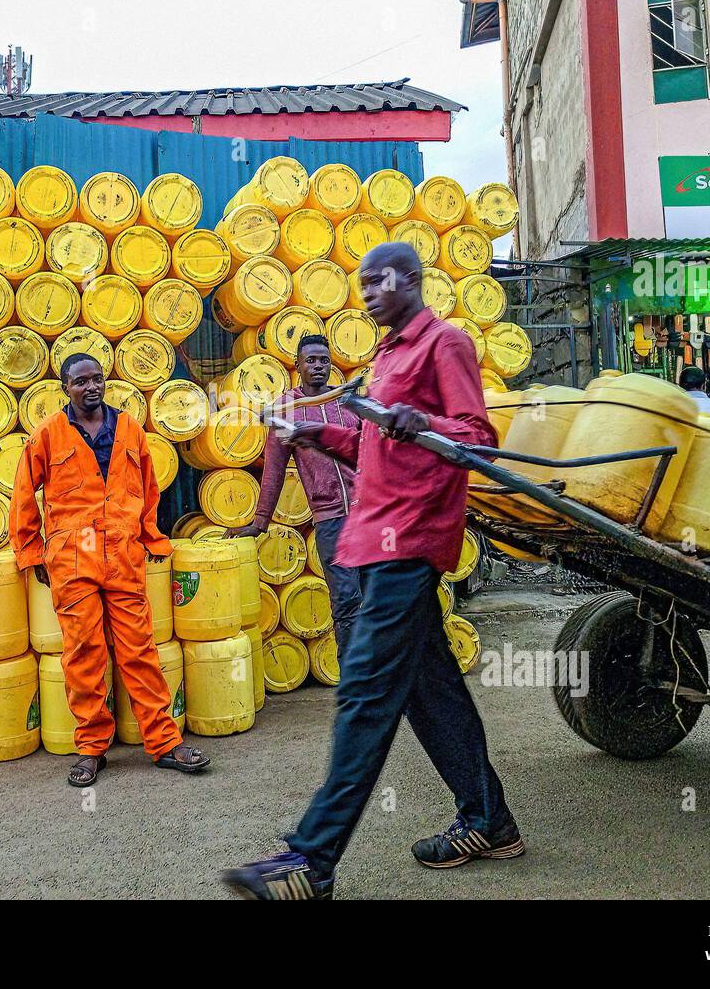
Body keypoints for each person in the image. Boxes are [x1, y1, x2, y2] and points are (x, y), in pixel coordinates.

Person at [223, 243, 521, 900]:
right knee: (430, 691)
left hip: (407, 546)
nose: (367, 292)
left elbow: (476, 440)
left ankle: (311, 860)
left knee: (363, 697)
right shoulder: (385, 354)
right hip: (371, 540)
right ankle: (490, 820)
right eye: (361, 283)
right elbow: (369, 444)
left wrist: (427, 421)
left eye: (378, 281)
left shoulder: (444, 344)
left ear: (412, 280)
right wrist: (316, 435)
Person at [10, 353, 210, 786]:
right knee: (84, 654)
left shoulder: (130, 430)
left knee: (140, 649)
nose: (91, 387)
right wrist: (31, 552)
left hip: (122, 556)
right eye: (81, 381)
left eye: (97, 379)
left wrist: (151, 536)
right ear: (66, 388)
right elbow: (24, 496)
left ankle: (164, 742)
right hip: (73, 559)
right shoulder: (47, 435)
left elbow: (149, 488)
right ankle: (91, 748)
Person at [227, 334, 361, 651]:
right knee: (346, 602)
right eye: (311, 360)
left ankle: (383, 682)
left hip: (368, 514)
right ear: (297, 364)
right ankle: (357, 683)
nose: (318, 366)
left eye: (324, 360)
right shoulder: (286, 410)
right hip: (330, 521)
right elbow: (273, 470)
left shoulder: (348, 402)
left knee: (377, 600)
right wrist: (259, 522)